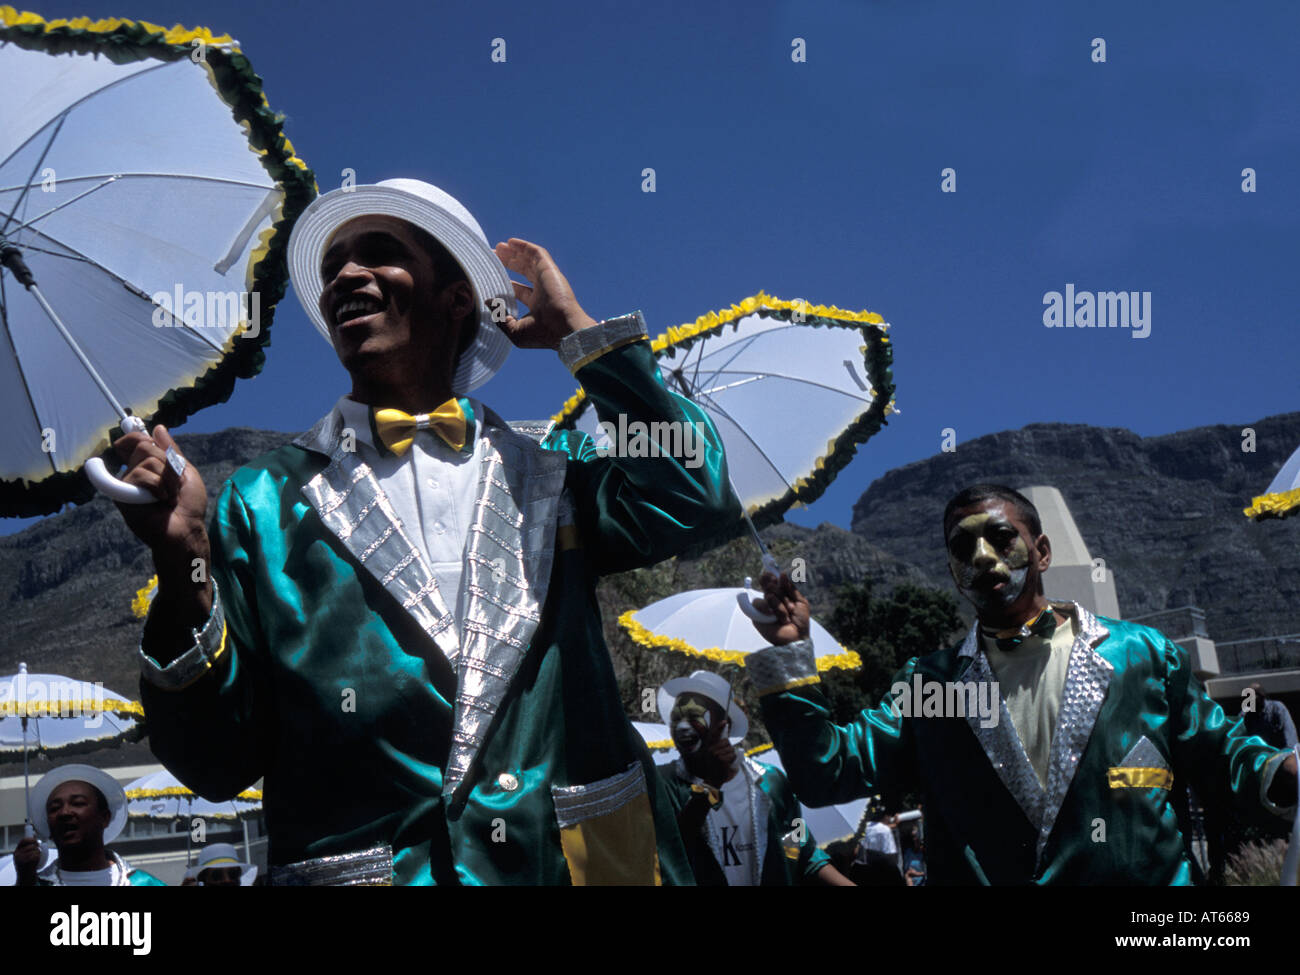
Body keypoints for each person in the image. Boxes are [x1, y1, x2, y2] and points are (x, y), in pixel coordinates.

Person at [114, 179, 739, 885]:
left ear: (457, 297)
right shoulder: (255, 506)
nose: (345, 274)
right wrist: (183, 562)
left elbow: (694, 494)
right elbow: (216, 760)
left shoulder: (553, 474)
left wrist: (582, 339)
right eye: (333, 268)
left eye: (379, 252)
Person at [744, 483, 1299, 884]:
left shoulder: (1142, 655)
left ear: (1043, 551)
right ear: (953, 576)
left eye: (1001, 538)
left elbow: (1225, 755)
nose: (983, 557)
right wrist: (791, 653)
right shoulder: (933, 685)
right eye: (963, 550)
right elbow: (827, 773)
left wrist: (1282, 769)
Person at [655, 671, 853, 886]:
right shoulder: (663, 783)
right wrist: (711, 786)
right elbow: (668, 851)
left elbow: (800, 851)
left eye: (695, 716)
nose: (682, 727)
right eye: (676, 718)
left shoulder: (771, 783)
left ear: (725, 725)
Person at [11, 764, 165, 886]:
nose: (65, 812)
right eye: (54, 808)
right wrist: (24, 880)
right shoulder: (33, 883)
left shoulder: (143, 883)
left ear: (104, 818)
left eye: (78, 803)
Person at [1242, 683, 1299, 752]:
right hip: (1262, 756)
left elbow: (1289, 734)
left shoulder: (1277, 708)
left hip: (1282, 753)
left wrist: (1291, 753)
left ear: (1261, 697)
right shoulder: (1248, 716)